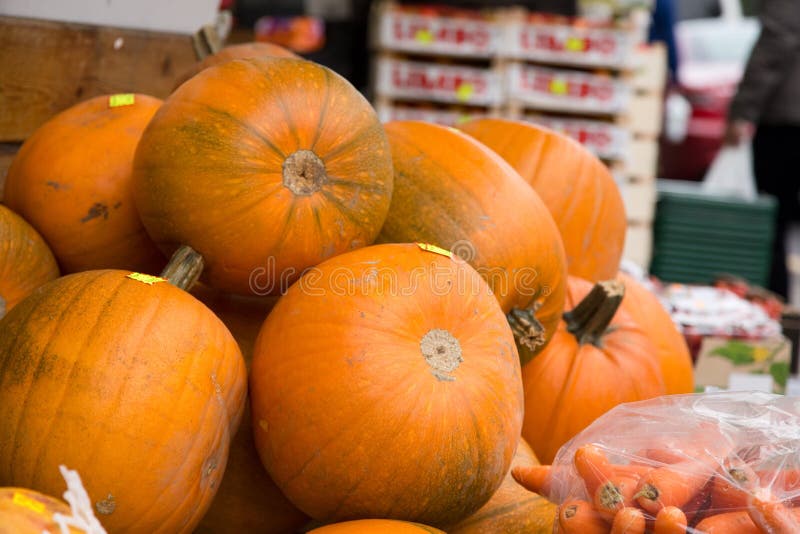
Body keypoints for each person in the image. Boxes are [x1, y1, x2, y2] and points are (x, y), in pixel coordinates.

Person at [724, 0, 800, 299]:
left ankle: (774, 302)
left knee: (773, 217)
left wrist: (742, 111)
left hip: (787, 122)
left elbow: (775, 47)